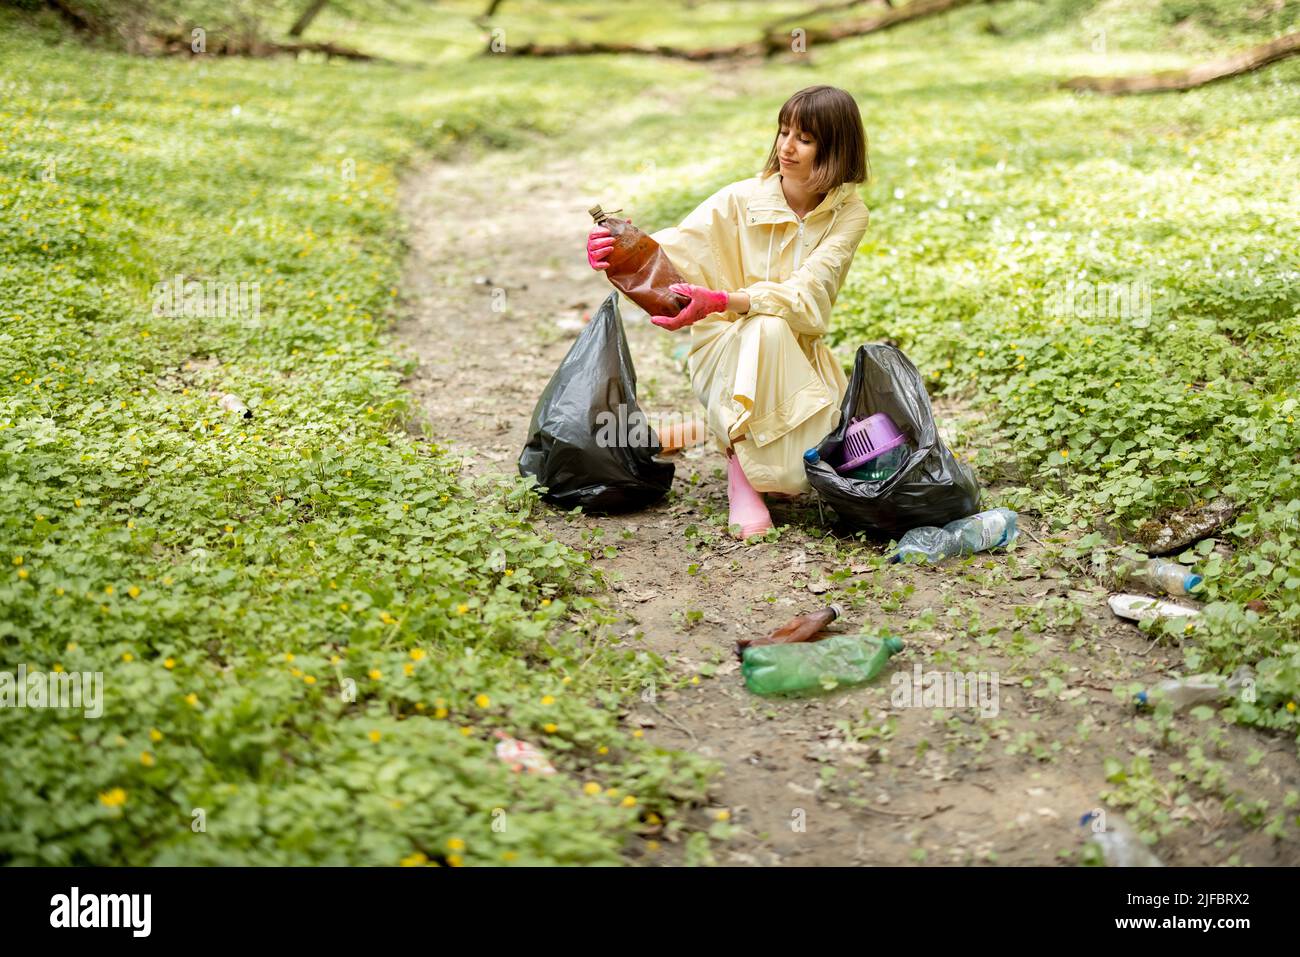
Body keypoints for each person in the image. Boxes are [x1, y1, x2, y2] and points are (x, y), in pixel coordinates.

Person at [587, 85, 871, 540]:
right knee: (763, 327)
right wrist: (619, 253)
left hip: (800, 355)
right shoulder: (740, 199)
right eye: (783, 132)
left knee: (810, 459)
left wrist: (725, 298)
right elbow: (676, 250)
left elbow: (808, 297)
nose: (786, 146)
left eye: (805, 137)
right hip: (723, 352)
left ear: (836, 148)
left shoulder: (849, 214)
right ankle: (741, 471)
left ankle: (721, 437)